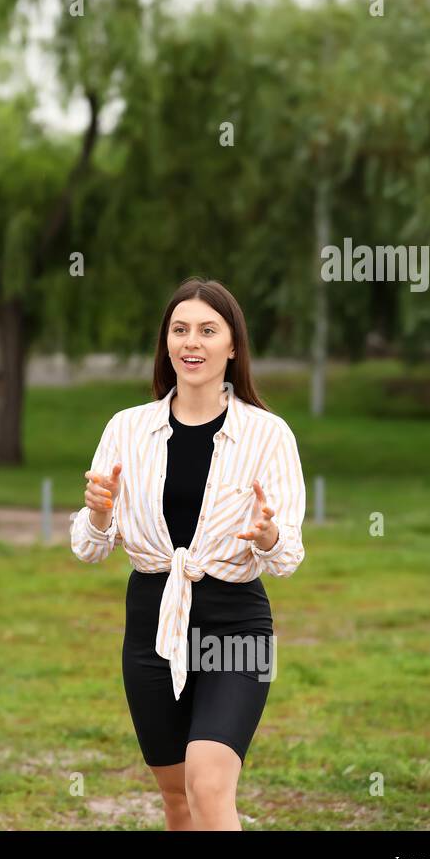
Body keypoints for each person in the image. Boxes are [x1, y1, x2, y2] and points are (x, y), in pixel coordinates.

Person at [70, 276, 307, 830]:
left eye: (207, 330)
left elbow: (289, 553)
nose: (191, 342)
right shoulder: (127, 429)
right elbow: (88, 547)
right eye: (180, 330)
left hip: (237, 623)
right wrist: (101, 512)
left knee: (208, 784)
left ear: (232, 346)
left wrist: (268, 536)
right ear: (166, 343)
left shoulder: (269, 435)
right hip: (151, 623)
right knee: (178, 801)